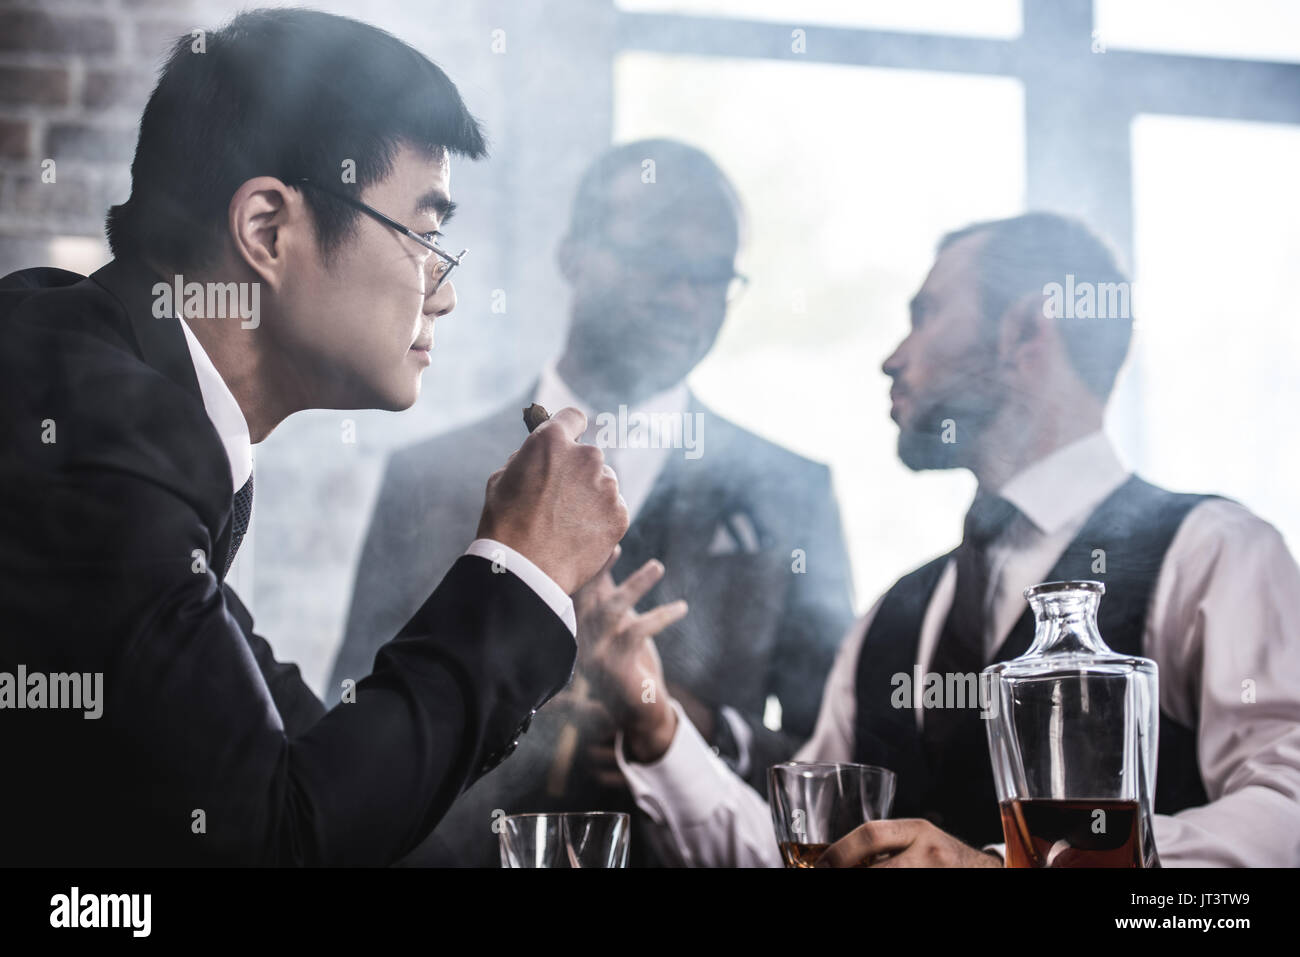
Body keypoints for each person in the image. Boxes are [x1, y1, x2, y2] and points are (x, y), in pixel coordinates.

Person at [0, 9, 627, 866]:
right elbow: (276, 844)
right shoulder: (101, 435)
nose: (442, 294)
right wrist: (521, 570)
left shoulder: (101, 382)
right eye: (425, 236)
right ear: (266, 229)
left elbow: (296, 764)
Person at [584, 212, 1300, 867]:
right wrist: (655, 724)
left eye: (924, 316)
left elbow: (1288, 808)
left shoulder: (1216, 553)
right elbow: (807, 854)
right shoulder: (895, 613)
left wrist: (1009, 866)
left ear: (1025, 331)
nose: (893, 358)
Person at [330, 140, 855, 866]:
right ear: (574, 255)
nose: (684, 296)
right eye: (659, 262)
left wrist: (695, 731)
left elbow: (832, 769)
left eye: (711, 276)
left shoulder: (793, 491)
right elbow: (353, 711)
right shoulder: (428, 474)